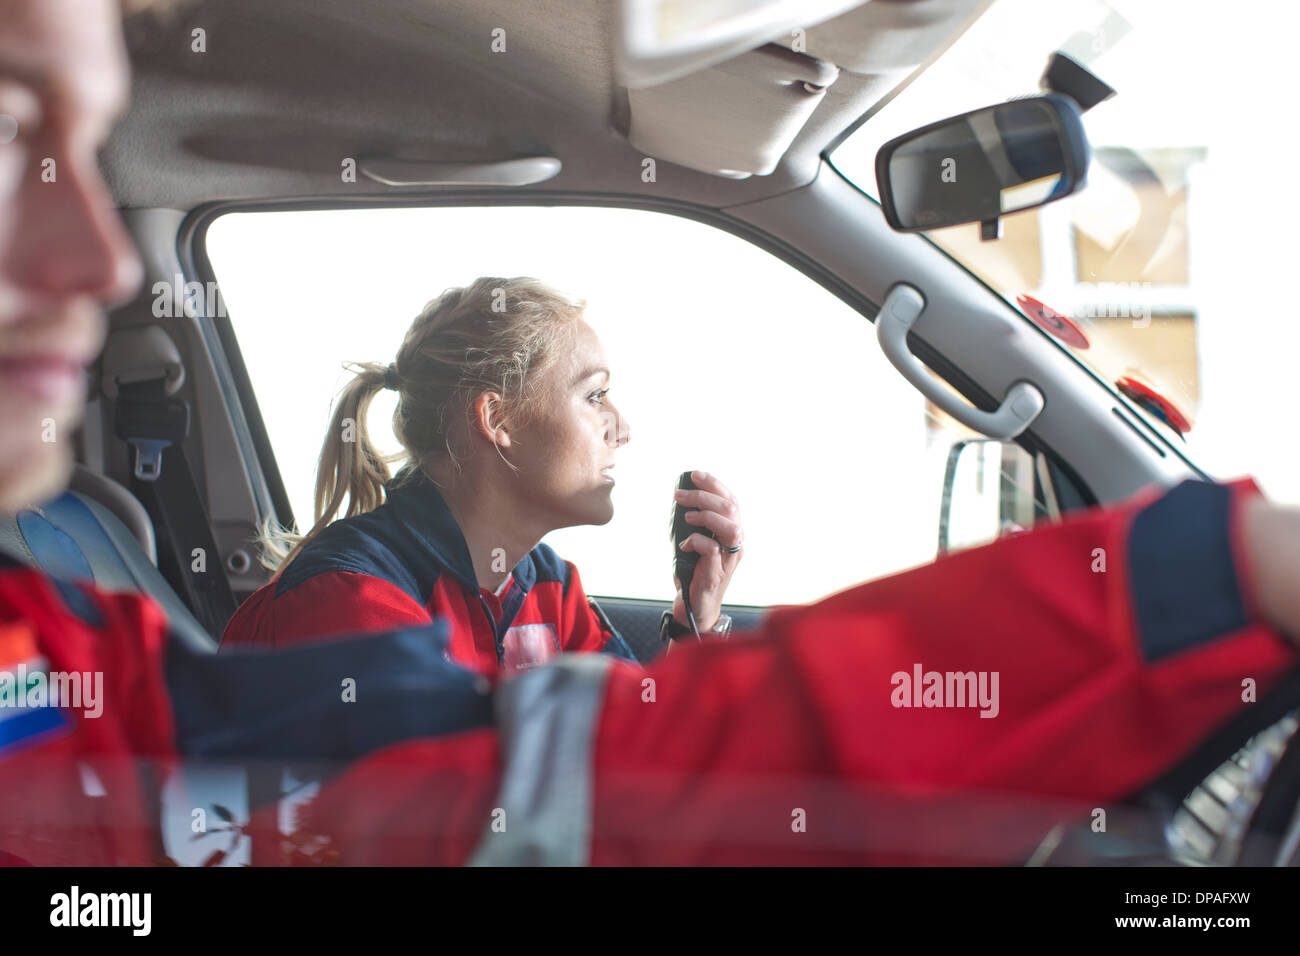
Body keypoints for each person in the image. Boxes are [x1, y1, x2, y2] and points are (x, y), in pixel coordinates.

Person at [3, 0, 1300, 867]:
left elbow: (622, 746)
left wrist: (692, 619)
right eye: (15, 133)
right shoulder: (341, 618)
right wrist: (1193, 575)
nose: (102, 264)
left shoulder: (59, 657)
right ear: (496, 423)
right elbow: (522, 799)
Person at [220, 277, 744, 672]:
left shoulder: (548, 586)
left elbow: (638, 751)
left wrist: (693, 620)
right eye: (594, 395)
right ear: (498, 420)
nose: (622, 428)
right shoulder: (353, 602)